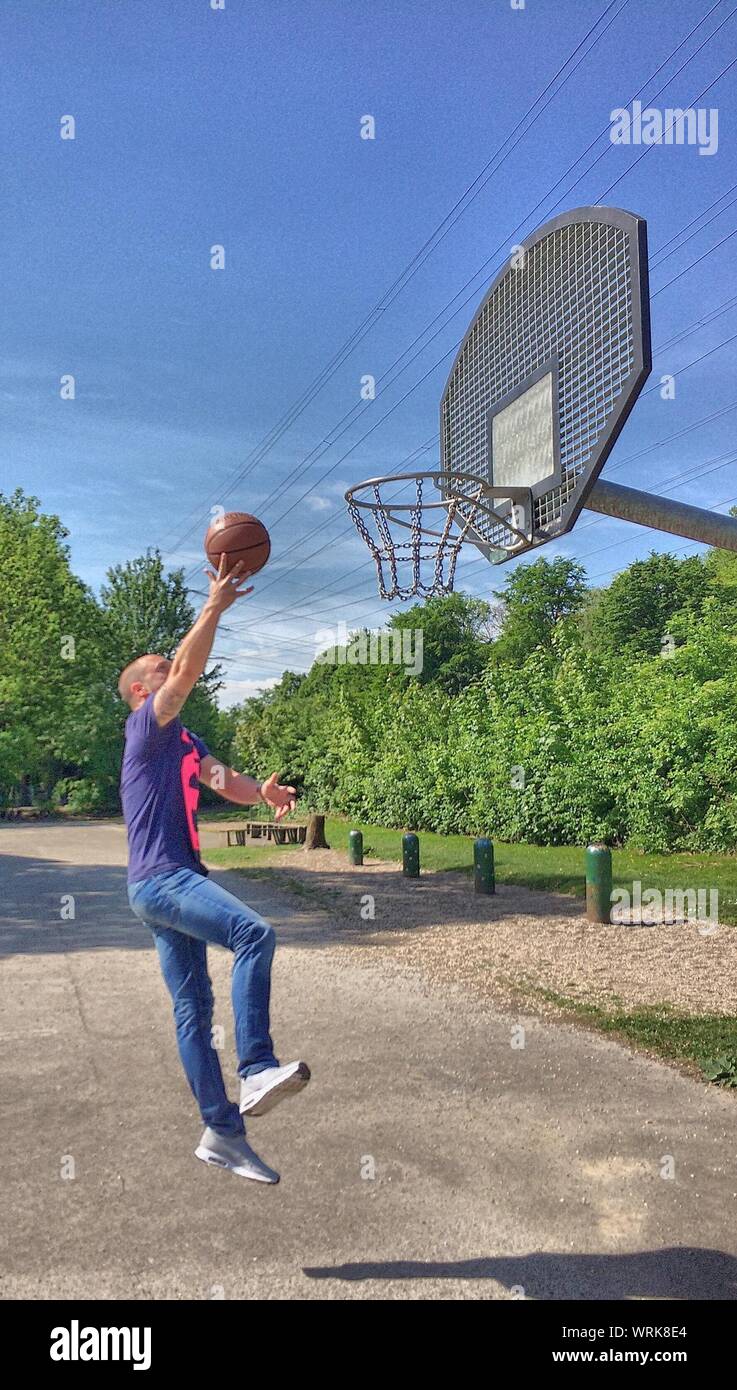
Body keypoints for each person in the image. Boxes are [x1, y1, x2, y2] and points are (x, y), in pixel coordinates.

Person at [118, 556, 309, 1185]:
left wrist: (267, 796)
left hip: (160, 886)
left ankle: (222, 1133)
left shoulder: (186, 743)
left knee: (193, 1012)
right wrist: (214, 606)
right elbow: (187, 669)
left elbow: (224, 781)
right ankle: (256, 1065)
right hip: (165, 879)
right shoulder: (146, 727)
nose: (170, 672)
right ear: (145, 693)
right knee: (255, 934)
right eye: (159, 672)